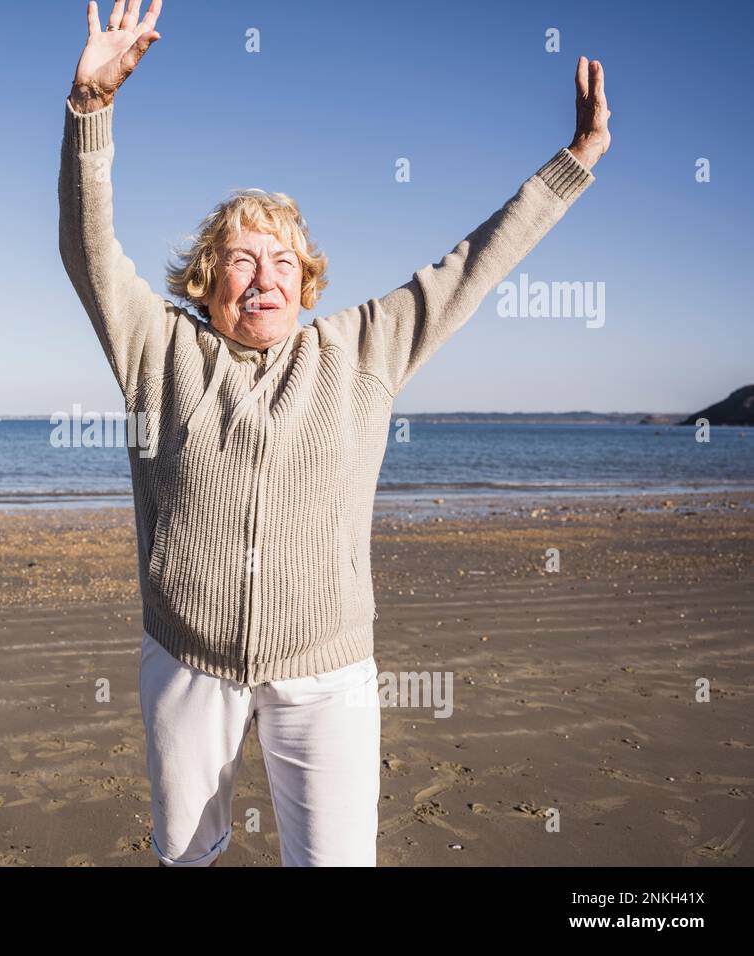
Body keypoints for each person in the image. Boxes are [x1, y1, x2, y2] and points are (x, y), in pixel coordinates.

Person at [58, 0, 610, 866]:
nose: (263, 274)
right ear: (205, 281)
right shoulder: (157, 347)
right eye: (240, 257)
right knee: (186, 857)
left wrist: (570, 166)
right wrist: (91, 110)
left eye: (283, 259)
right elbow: (88, 250)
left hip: (328, 666)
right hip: (186, 659)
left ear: (307, 281)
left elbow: (473, 265)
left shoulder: (362, 346)